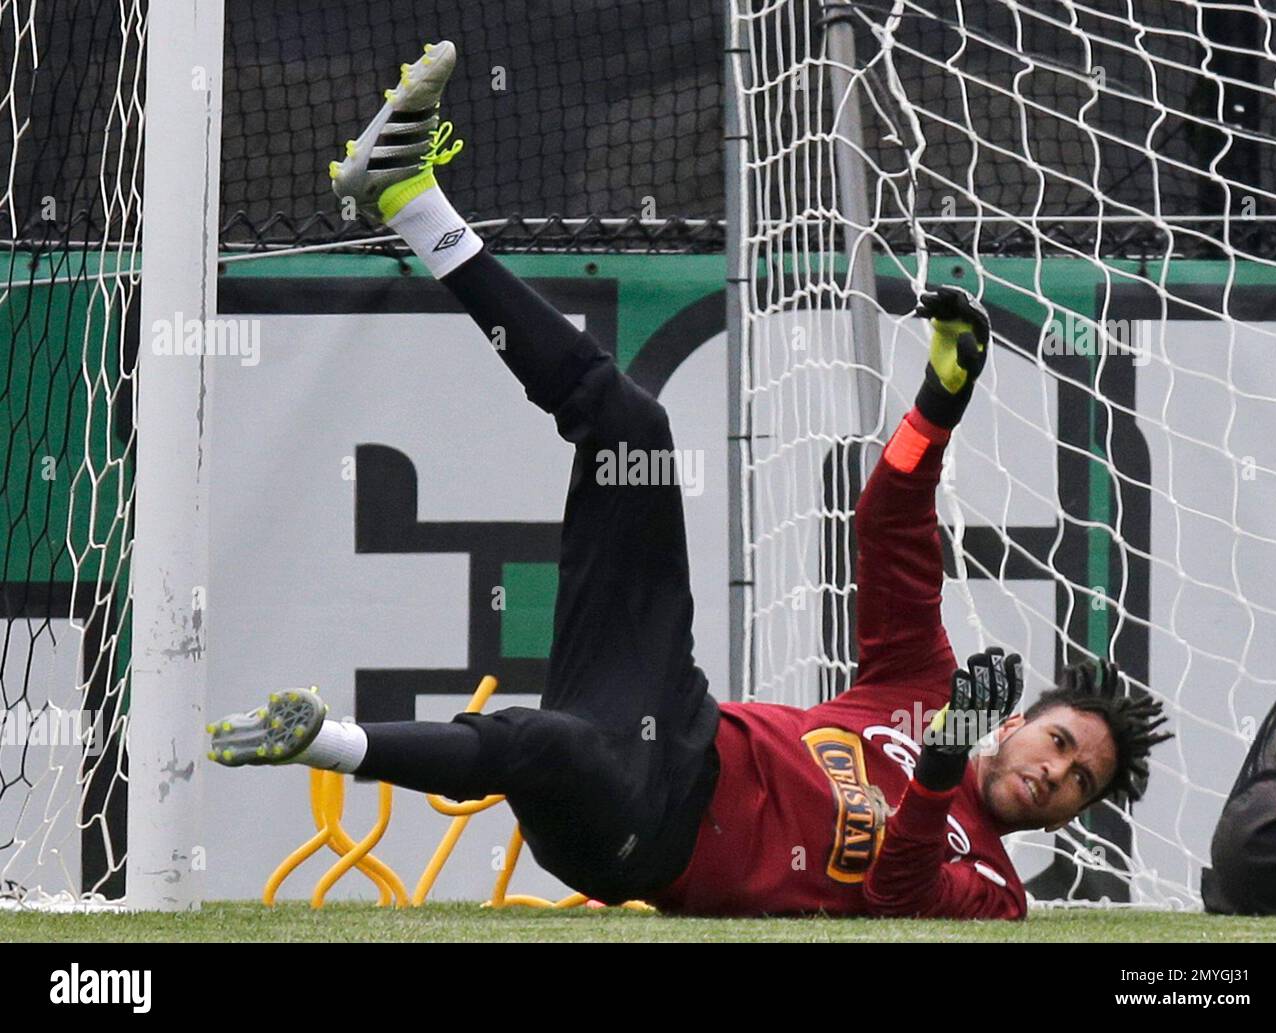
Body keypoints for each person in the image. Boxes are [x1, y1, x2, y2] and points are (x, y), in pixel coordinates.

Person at [207, 41, 1173, 919]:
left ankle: (321, 737)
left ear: (1067, 816)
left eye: (1080, 781)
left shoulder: (999, 897)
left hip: (650, 833)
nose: (1058, 773)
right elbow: (887, 529)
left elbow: (896, 896)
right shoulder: (920, 688)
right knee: (631, 426)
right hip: (677, 714)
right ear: (1018, 723)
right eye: (1060, 743)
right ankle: (410, 200)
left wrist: (942, 767)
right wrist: (938, 407)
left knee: (548, 746)